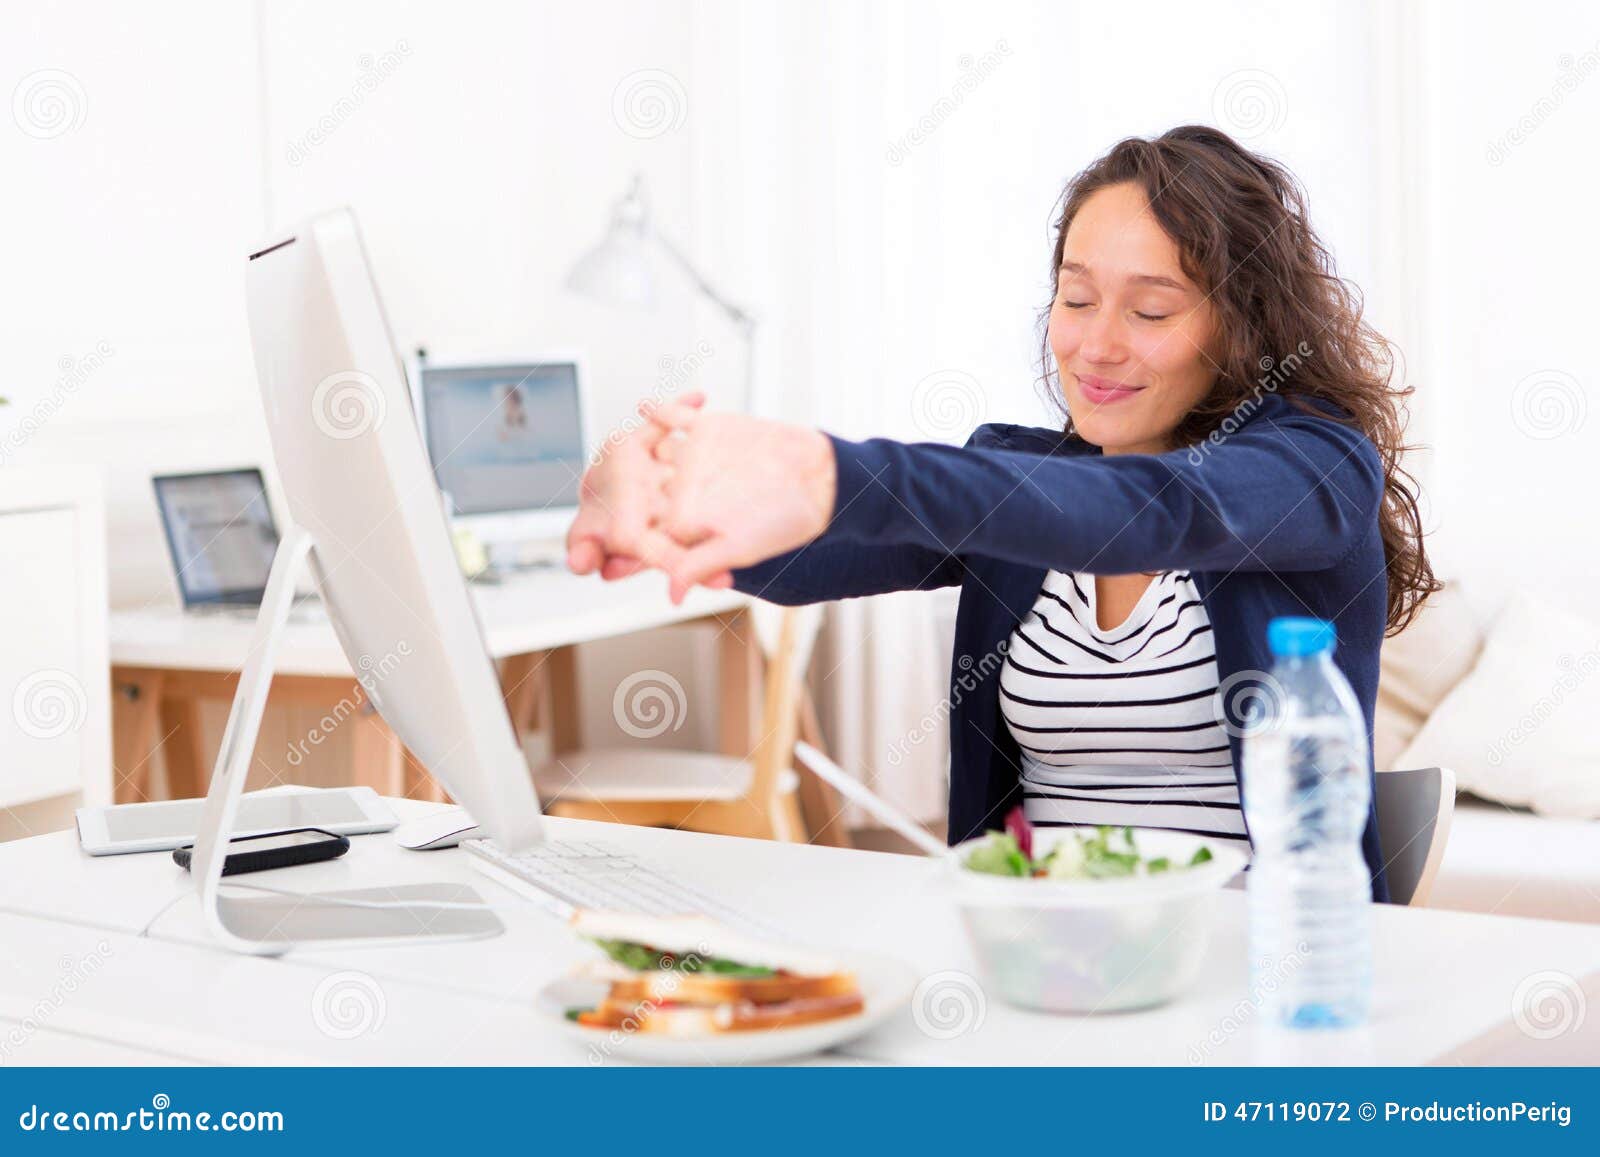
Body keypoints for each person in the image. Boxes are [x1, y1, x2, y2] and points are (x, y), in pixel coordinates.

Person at [566, 125, 1438, 902]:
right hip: (1036, 966)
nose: (1096, 344)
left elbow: (1152, 512)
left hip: (1247, 975)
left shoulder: (1311, 468)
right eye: (1076, 296)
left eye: (1151, 309)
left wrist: (824, 468)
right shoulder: (1024, 480)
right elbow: (818, 550)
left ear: (1241, 326)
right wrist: (663, 507)